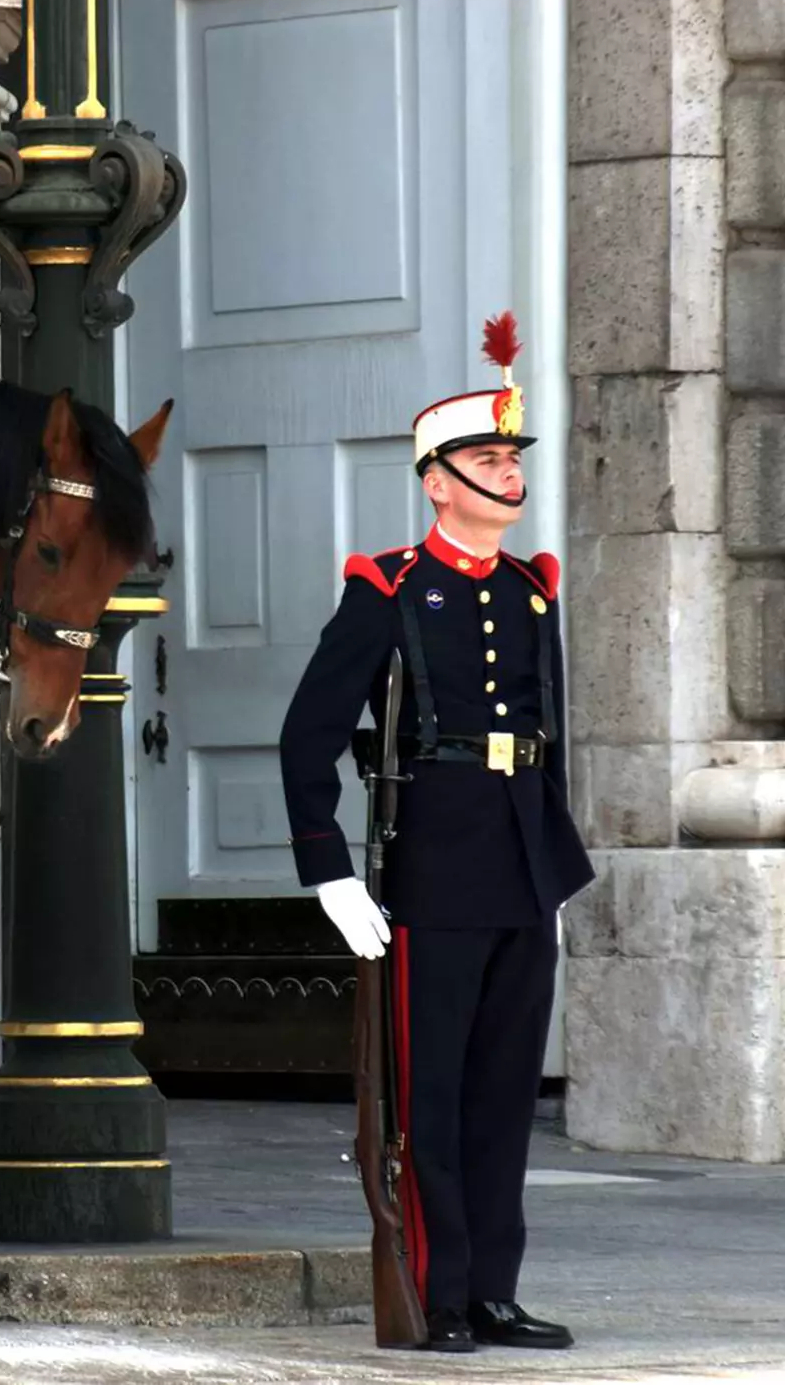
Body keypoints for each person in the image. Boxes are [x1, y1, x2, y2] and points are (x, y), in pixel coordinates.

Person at [278, 313, 595, 1353]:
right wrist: (330, 873)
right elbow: (306, 736)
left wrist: (551, 880)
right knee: (432, 1098)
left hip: (518, 865)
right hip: (433, 868)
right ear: (437, 480)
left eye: (512, 457)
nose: (508, 473)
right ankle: (438, 1291)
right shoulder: (388, 591)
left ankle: (494, 1289)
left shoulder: (529, 590)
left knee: (505, 1095)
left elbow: (546, 731)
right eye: (487, 458)